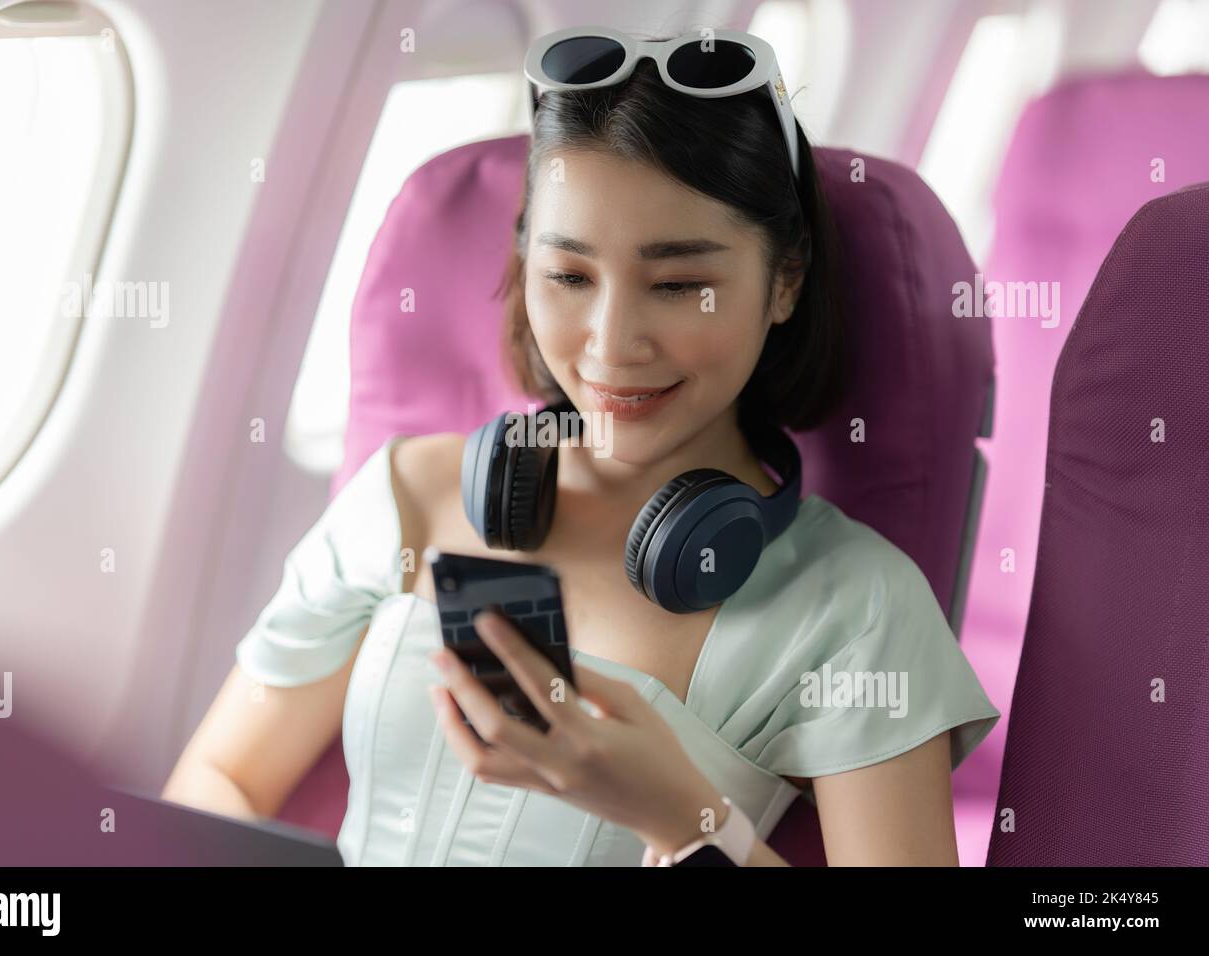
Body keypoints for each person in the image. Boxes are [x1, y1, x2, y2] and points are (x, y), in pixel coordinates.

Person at [162, 28, 1000, 866]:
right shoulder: (411, 492)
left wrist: (684, 818)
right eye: (569, 277)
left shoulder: (852, 607)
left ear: (784, 281)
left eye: (679, 285)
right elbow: (222, 778)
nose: (611, 345)